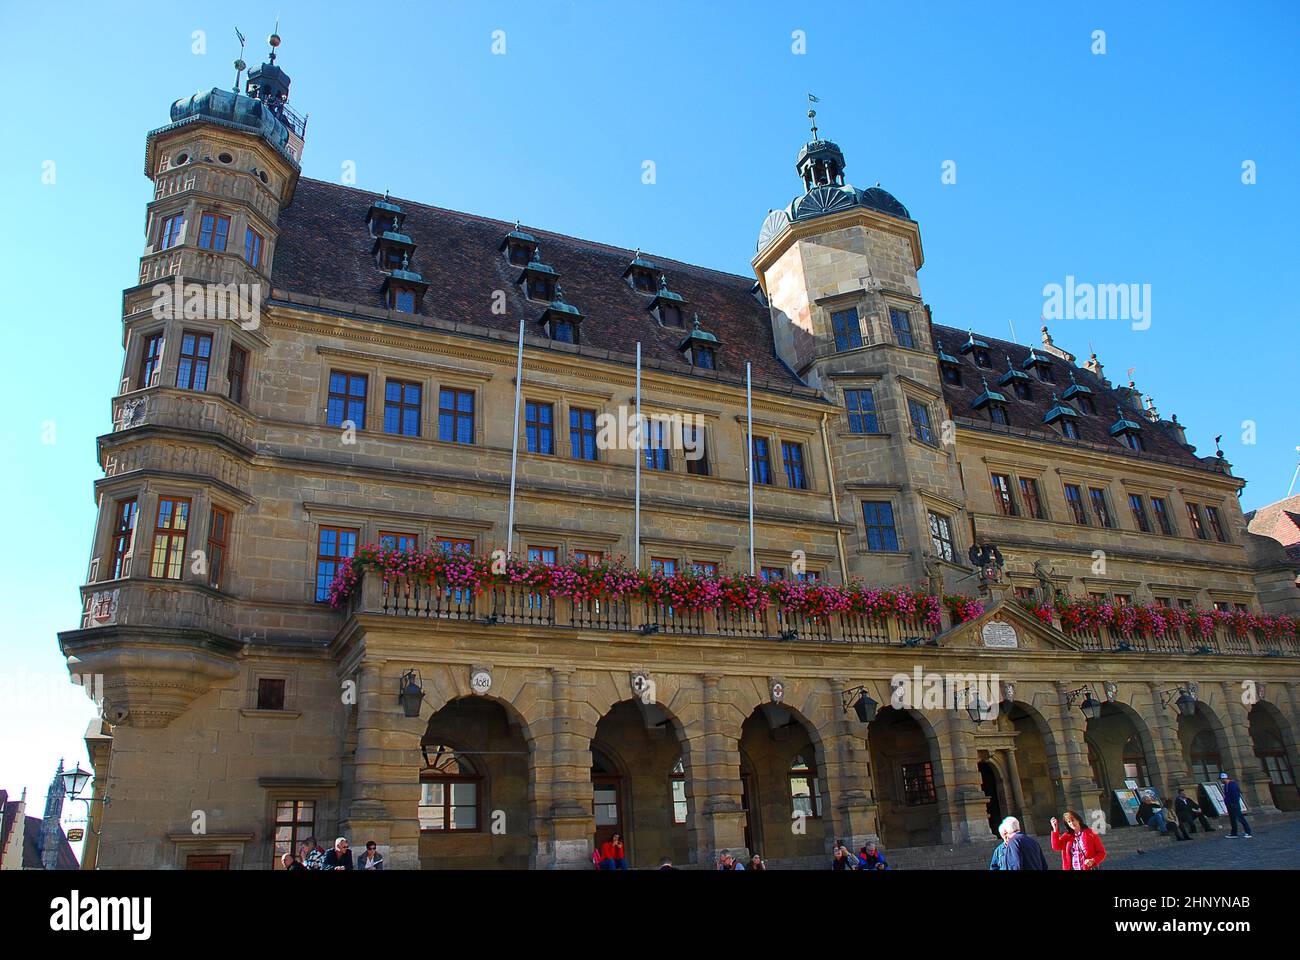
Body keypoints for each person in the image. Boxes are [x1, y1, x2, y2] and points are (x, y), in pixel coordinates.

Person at [1220, 773, 1254, 838]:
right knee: (1232, 819)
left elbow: (1236, 795)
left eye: (1221, 779)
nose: (1221, 781)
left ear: (1224, 778)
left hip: (1234, 804)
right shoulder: (1226, 785)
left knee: (1240, 818)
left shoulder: (1232, 785)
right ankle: (1234, 833)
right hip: (1229, 804)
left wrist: (1234, 803)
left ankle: (1248, 832)